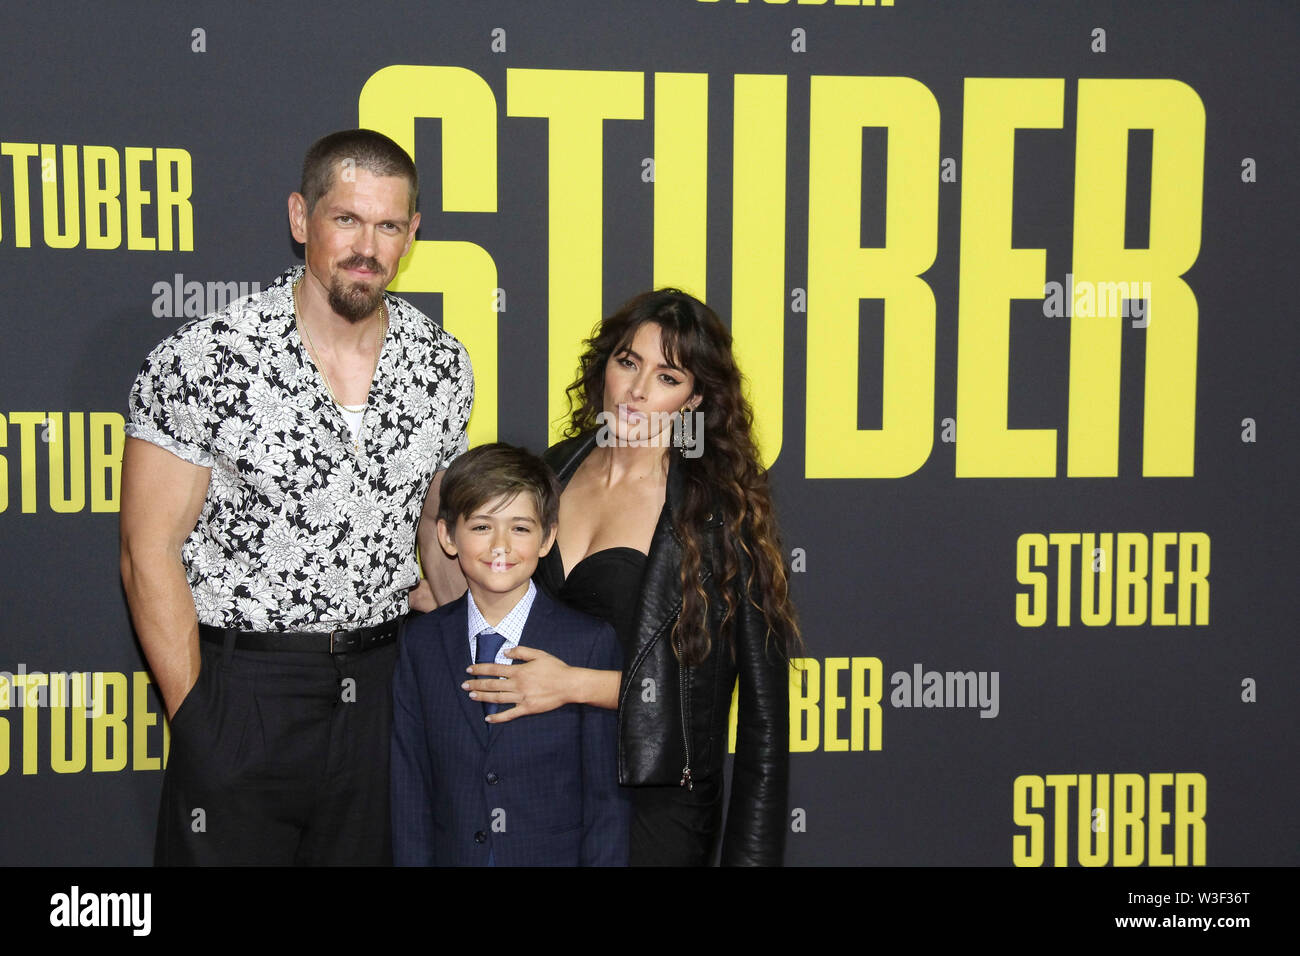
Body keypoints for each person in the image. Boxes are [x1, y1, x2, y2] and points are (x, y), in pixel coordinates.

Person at [119, 129, 473, 865]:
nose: (365, 247)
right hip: (246, 687)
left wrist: (455, 678)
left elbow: (436, 529)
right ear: (299, 218)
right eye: (345, 219)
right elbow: (146, 551)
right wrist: (200, 720)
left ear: (413, 234)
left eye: (387, 225)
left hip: (383, 690)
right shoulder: (206, 358)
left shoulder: (441, 365)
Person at [465, 289, 799, 866]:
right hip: (543, 783)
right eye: (628, 362)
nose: (638, 391)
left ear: (694, 398)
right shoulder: (555, 470)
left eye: (667, 377)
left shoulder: (717, 512)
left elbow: (754, 715)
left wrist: (574, 685)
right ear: (606, 368)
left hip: (654, 803)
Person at [391, 443, 629, 866]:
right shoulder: (420, 643)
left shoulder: (588, 643)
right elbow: (411, 785)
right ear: (447, 536)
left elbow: (605, 800)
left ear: (547, 538)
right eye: (482, 527)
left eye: (520, 528)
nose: (500, 546)